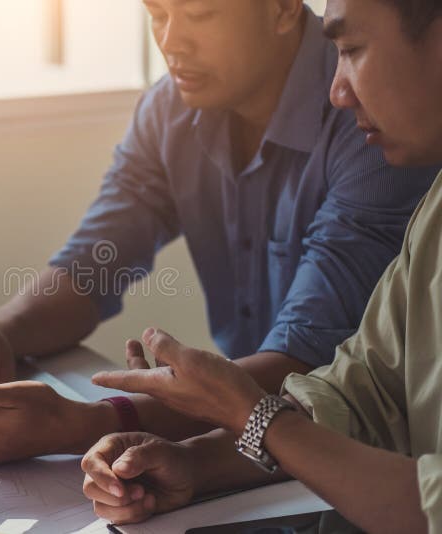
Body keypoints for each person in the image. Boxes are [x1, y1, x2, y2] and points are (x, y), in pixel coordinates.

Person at [0, 0, 438, 466]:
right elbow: (94, 263)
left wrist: (87, 423)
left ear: (282, 9)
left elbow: (306, 360)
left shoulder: (377, 119)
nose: (171, 42)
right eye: (156, 14)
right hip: (243, 440)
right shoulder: (171, 108)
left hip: (348, 455)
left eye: (199, 14)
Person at [80, 0, 442, 531]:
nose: (338, 92)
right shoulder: (436, 210)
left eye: (352, 49)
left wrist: (251, 414)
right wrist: (192, 463)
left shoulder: (379, 156)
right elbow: (357, 396)